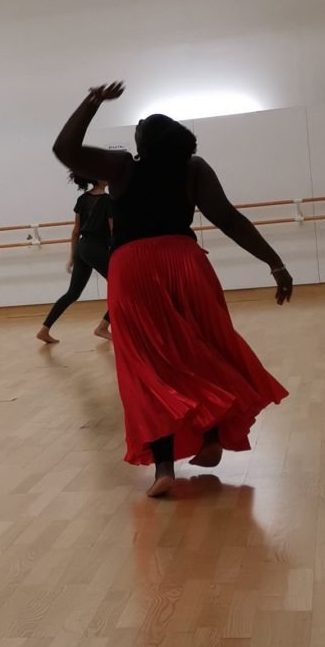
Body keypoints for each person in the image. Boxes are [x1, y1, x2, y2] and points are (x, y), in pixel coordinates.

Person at [53, 82, 292, 499]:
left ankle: (164, 467)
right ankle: (211, 437)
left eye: (143, 123)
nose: (140, 122)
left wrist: (92, 102)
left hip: (134, 269)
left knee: (148, 365)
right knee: (202, 350)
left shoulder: (123, 167)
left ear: (146, 142)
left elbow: (65, 151)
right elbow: (228, 219)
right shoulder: (193, 168)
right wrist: (274, 261)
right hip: (185, 263)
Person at [38, 175, 113, 345]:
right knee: (123, 288)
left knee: (73, 293)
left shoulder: (82, 198)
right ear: (100, 179)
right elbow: (113, 231)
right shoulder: (108, 201)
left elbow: (75, 231)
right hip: (96, 248)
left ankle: (44, 330)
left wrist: (73, 255)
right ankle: (103, 327)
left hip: (82, 246)